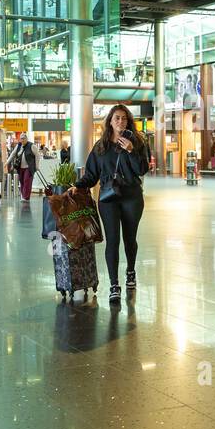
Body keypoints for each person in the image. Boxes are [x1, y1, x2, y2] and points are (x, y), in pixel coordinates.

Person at [70, 104, 150, 303]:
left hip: (132, 196)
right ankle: (114, 285)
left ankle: (130, 271)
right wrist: (77, 186)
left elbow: (142, 169)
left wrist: (131, 151)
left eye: (124, 118)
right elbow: (91, 174)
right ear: (110, 122)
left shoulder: (137, 143)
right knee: (112, 240)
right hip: (108, 198)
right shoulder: (101, 146)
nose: (120, 122)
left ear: (129, 121)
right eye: (117, 118)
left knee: (130, 239)